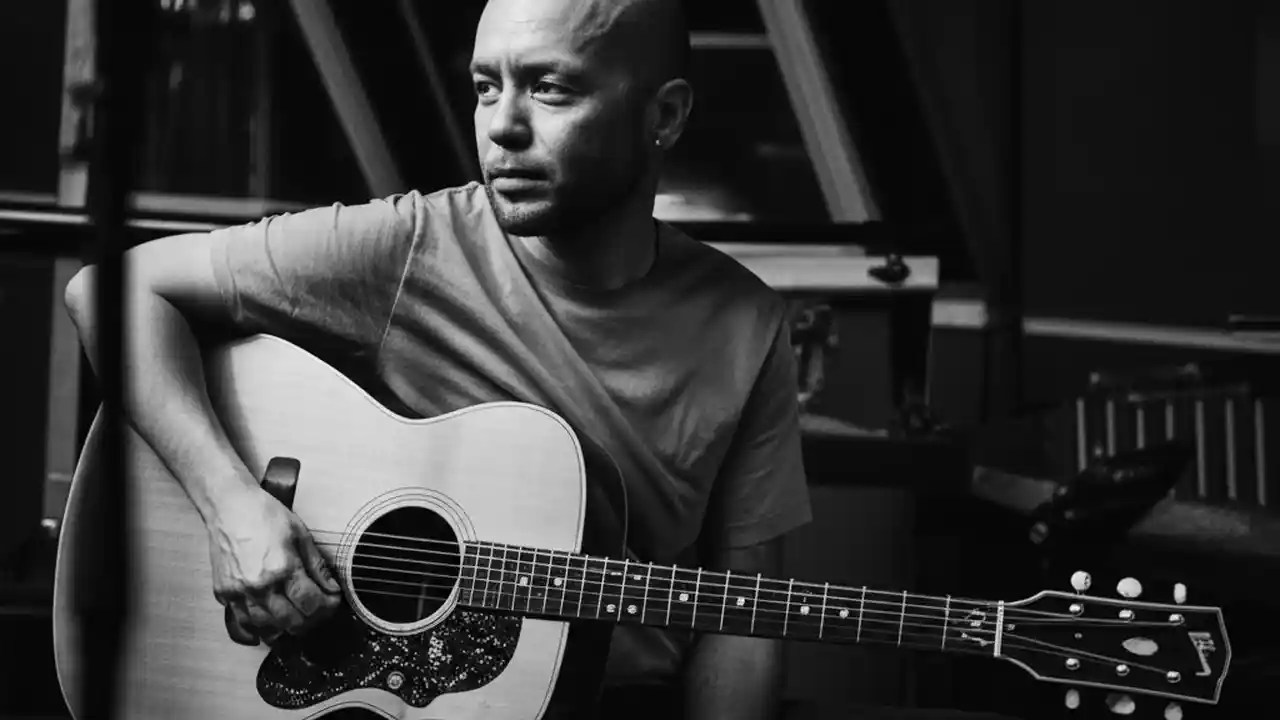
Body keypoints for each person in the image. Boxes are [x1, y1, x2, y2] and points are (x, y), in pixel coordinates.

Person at [63, 0, 811, 717]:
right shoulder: (408, 248)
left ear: (666, 116)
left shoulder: (747, 326)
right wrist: (233, 505)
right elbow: (110, 293)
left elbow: (741, 625)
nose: (502, 128)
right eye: (487, 87)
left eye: (550, 89)